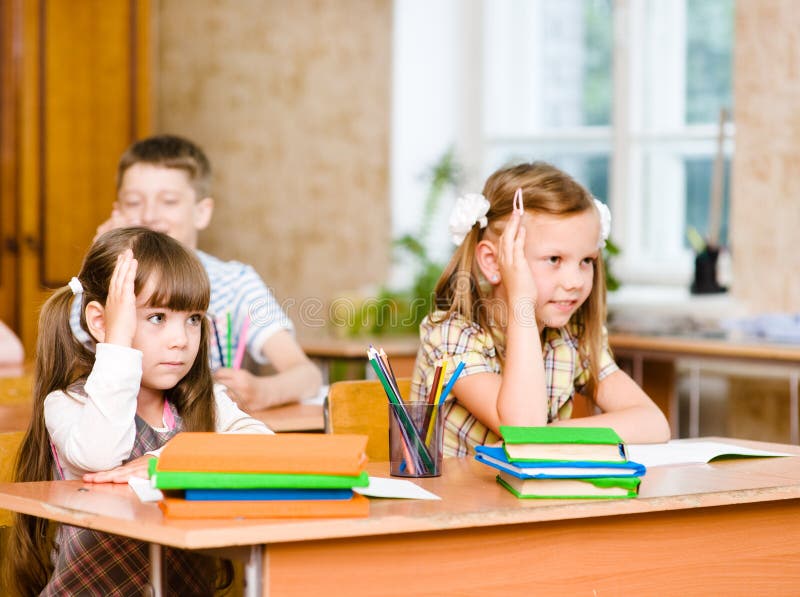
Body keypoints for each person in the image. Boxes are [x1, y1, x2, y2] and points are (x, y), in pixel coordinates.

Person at [6, 227, 271, 596]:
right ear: (101, 322)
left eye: (193, 319)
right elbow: (101, 455)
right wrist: (118, 342)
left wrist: (165, 461)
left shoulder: (202, 402)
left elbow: (265, 448)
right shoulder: (69, 403)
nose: (181, 339)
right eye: (158, 318)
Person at [411, 162, 670, 457]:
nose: (574, 281)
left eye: (586, 260)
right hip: (459, 501)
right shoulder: (451, 334)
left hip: (533, 499)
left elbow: (653, 424)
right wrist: (521, 297)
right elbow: (523, 428)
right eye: (554, 259)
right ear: (494, 262)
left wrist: (548, 436)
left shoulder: (572, 336)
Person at [77, 133, 322, 411]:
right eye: (133, 203)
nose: (148, 216)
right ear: (117, 211)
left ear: (201, 212)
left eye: (168, 201)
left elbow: (307, 375)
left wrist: (262, 391)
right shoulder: (94, 286)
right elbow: (69, 368)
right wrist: (96, 268)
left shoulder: (236, 282)